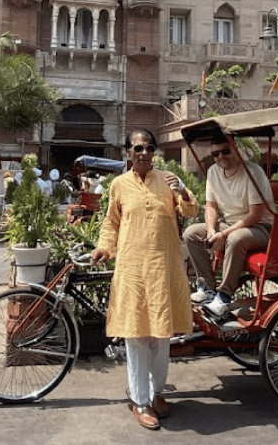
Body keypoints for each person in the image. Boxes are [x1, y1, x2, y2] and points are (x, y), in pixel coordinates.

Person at [91, 129, 198, 431]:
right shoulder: (119, 185)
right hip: (133, 268)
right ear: (128, 152)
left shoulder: (168, 181)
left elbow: (190, 210)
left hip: (164, 267)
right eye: (137, 148)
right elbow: (111, 223)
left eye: (149, 148)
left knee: (161, 336)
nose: (143, 153)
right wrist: (103, 248)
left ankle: (158, 392)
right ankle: (140, 401)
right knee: (137, 335)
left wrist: (183, 192)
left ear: (154, 152)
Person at [182, 135, 274, 318]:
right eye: (216, 154)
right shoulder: (213, 172)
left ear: (236, 149)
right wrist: (211, 231)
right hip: (230, 224)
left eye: (226, 151)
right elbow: (211, 206)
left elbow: (254, 215)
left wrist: (223, 234)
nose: (221, 157)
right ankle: (208, 288)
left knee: (235, 237)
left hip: (261, 228)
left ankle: (224, 296)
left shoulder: (253, 172)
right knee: (191, 234)